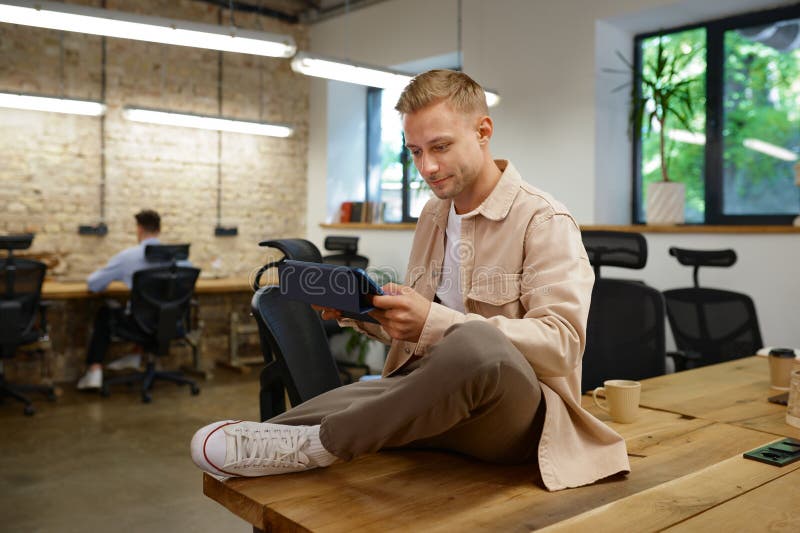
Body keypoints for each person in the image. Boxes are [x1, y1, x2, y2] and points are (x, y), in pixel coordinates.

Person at [190, 70, 630, 491]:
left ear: (483, 131)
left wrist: (435, 322)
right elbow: (417, 332)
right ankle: (284, 439)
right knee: (368, 393)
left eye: (440, 146)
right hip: (432, 398)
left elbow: (564, 344)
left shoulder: (543, 219)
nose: (428, 167)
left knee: (476, 345)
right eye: (416, 151)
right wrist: (367, 315)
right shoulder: (433, 215)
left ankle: (323, 442)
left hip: (513, 420)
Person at [77, 209, 164, 390]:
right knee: (147, 312)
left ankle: (94, 371)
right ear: (159, 230)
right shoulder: (177, 257)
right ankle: (136, 354)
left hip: (139, 324)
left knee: (106, 312)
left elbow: (93, 285)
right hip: (169, 322)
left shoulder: (128, 257)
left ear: (139, 230)